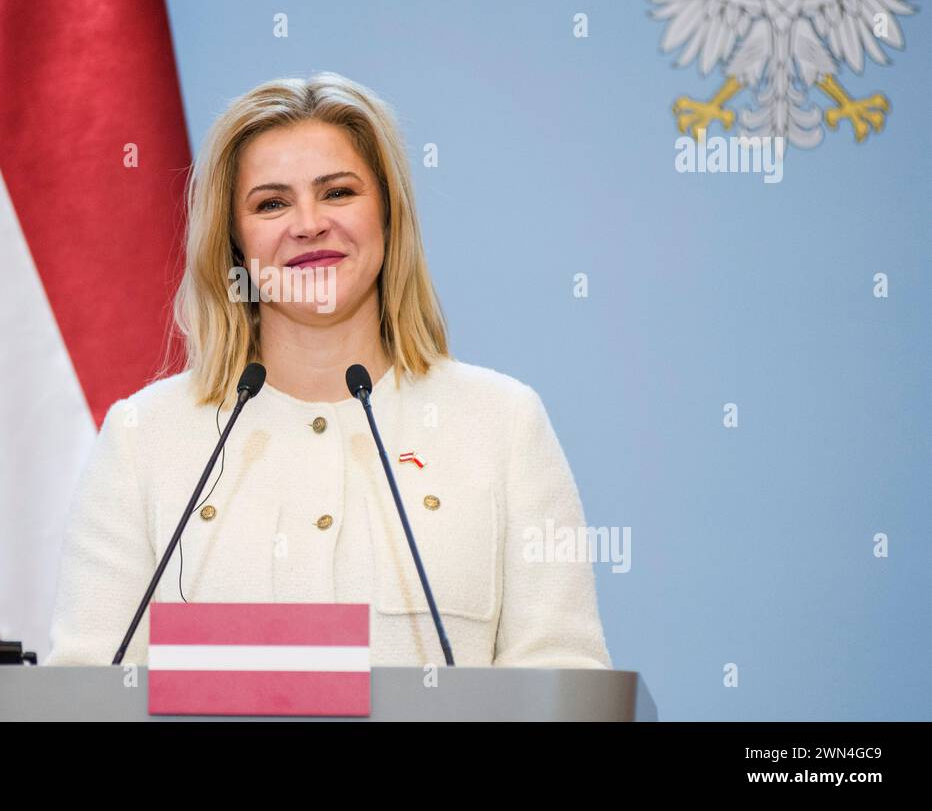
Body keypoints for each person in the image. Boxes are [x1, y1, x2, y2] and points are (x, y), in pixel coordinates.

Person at [44, 71, 612, 669]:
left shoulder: (502, 423)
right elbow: (87, 692)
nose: (309, 223)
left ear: (389, 217)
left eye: (339, 192)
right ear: (234, 243)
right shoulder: (144, 437)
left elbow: (563, 679)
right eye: (271, 203)